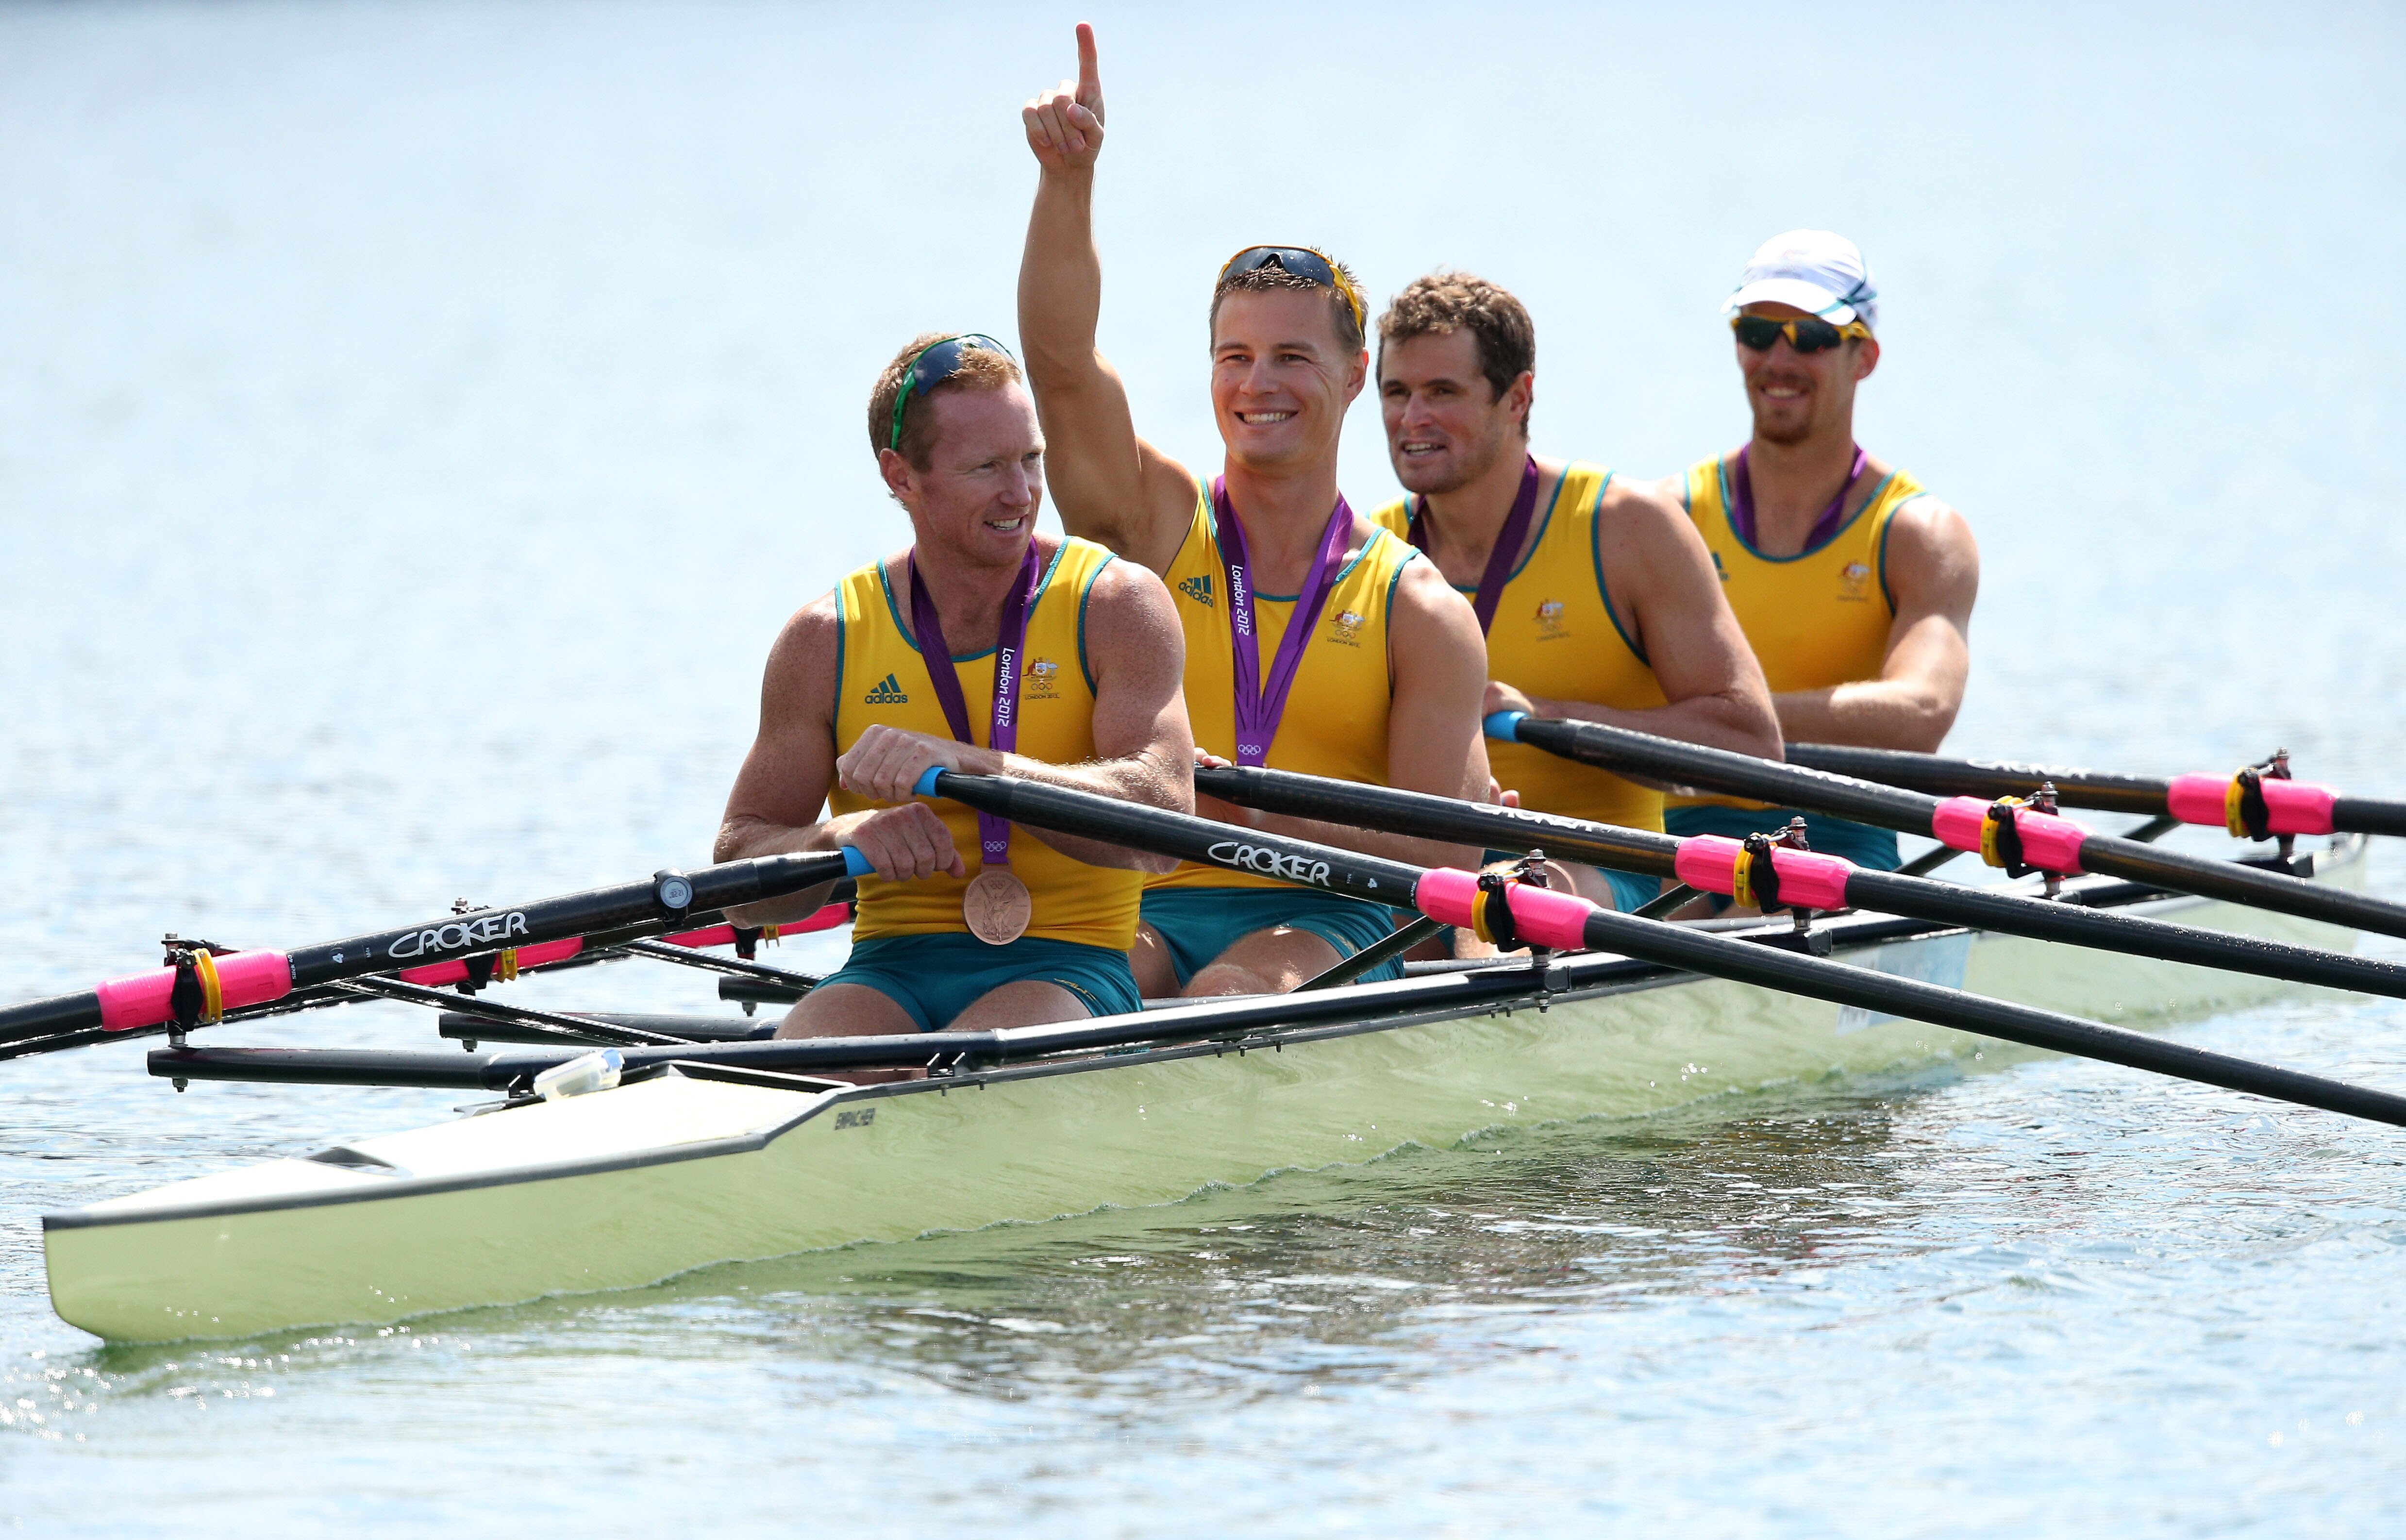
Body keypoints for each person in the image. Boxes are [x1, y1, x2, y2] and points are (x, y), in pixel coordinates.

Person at [1017, 25, 1489, 997]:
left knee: (1226, 995)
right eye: (1234, 358)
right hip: (1151, 899)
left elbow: (1437, 850)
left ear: (1357, 376)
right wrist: (1067, 183)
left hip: (1339, 914)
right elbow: (1063, 374)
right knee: (1047, 997)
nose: (1256, 384)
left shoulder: (1421, 610)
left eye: (1290, 359)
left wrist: (1243, 813)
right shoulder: (1156, 524)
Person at [716, 332, 1194, 1036]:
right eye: (986, 467)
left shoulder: (1116, 605)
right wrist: (836, 839)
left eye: (1032, 459)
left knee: (967, 1070)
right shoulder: (826, 638)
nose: (1023, 492)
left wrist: (973, 766)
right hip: (889, 967)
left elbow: (1163, 822)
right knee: (805, 1063)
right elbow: (738, 880)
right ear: (901, 476)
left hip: (1069, 963)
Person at [1370, 272, 1779, 912]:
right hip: (1429, 876)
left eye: (1441, 391)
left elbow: (1753, 746)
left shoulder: (1627, 528)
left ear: (1518, 397)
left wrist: (1552, 719)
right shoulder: (1372, 552)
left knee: (1506, 903)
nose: (1412, 417)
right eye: (1396, 392)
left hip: (1601, 871)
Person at [1661, 231, 1980, 870]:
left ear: (1864, 356)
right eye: (1757, 333)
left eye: (1809, 336)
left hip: (1840, 846)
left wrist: (1731, 724)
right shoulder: (1668, 517)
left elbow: (1921, 714)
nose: (1779, 359)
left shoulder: (1919, 534)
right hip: (1677, 843)